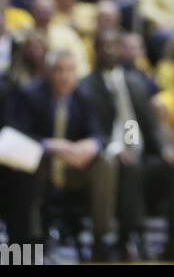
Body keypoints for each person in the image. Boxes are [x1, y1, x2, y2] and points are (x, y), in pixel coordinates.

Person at [82, 30, 174, 263]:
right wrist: (116, 148)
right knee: (132, 168)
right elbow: (91, 128)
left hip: (138, 150)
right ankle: (127, 239)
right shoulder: (86, 86)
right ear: (95, 50)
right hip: (108, 156)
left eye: (114, 45)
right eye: (104, 46)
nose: (110, 50)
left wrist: (165, 149)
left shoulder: (135, 82)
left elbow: (147, 126)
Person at [13, 48, 115, 260]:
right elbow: (16, 134)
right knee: (33, 162)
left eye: (70, 70)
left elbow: (100, 135)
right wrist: (52, 145)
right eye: (59, 70)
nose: (65, 76)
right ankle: (31, 242)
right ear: (49, 72)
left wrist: (90, 145)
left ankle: (100, 239)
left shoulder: (84, 97)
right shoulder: (30, 94)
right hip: (41, 166)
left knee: (104, 164)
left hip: (72, 168)